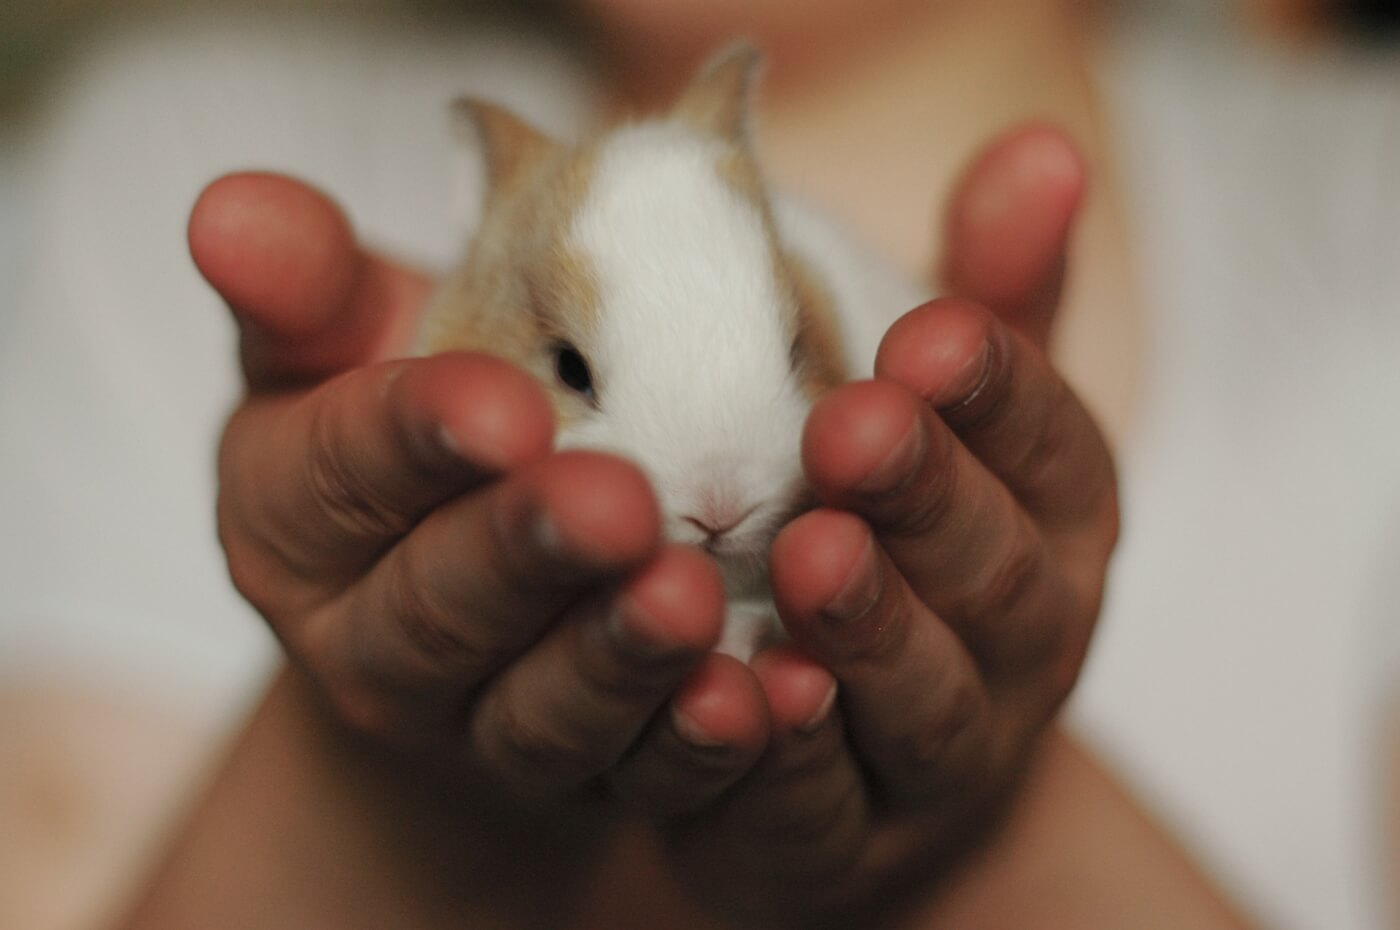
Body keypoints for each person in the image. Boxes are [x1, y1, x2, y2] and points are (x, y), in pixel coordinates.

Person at [1, 0, 1396, 927]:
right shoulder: (166, 161)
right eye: (575, 375)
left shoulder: (1357, 209)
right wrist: (381, 775)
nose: (716, 500)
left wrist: (986, 817)